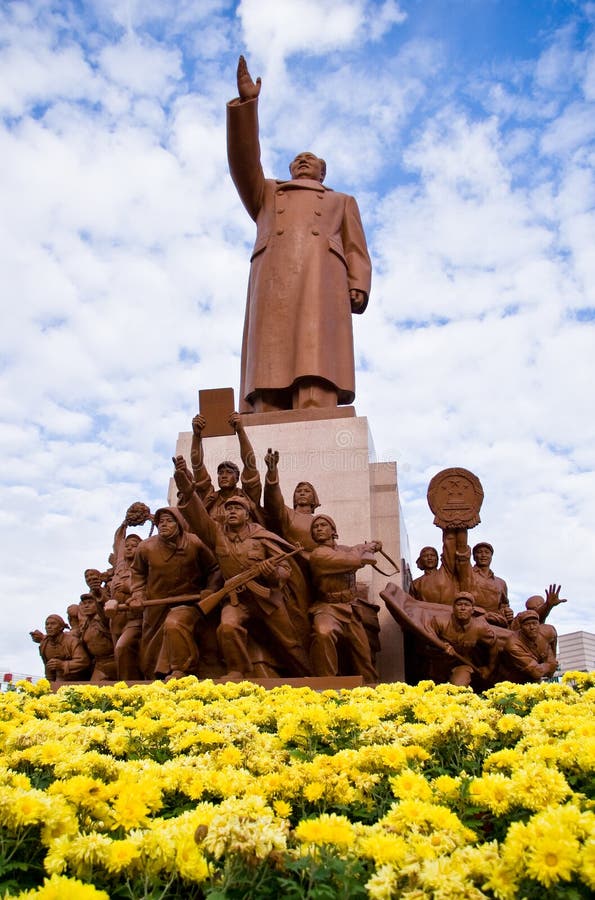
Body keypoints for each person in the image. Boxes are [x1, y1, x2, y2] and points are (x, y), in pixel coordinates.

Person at [227, 56, 372, 412]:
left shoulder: (341, 201)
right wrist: (247, 107)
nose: (303, 159)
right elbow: (244, 163)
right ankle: (268, 406)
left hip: (321, 278)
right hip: (274, 277)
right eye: (298, 158)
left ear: (322, 173)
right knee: (270, 353)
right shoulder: (267, 192)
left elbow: (356, 247)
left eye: (311, 159)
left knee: (315, 349)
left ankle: (314, 402)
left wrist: (358, 282)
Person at [173, 456, 311, 679]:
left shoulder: (261, 535)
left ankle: (308, 676)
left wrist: (273, 574)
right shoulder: (217, 534)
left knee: (290, 642)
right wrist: (184, 482)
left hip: (267, 599)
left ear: (247, 514)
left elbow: (284, 566)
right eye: (228, 509)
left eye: (237, 508)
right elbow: (197, 514)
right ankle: (236, 671)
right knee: (227, 626)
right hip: (237, 600)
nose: (232, 512)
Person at [130, 507, 222, 680]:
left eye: (169, 521)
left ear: (179, 523)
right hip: (155, 605)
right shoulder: (145, 547)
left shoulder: (194, 543)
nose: (163, 525)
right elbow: (137, 573)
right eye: (160, 522)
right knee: (149, 657)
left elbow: (214, 568)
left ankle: (180, 669)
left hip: (188, 602)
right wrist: (138, 595)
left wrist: (210, 589)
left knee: (174, 624)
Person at [307, 514, 380, 682]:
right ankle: (326, 685)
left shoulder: (343, 549)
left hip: (350, 607)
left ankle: (371, 688)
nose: (319, 529)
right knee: (324, 633)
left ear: (333, 530)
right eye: (315, 527)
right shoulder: (318, 555)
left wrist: (372, 545)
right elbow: (350, 560)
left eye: (323, 525)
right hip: (328, 608)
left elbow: (356, 549)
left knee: (363, 654)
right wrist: (364, 552)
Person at [190, 412, 263, 526]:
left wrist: (240, 431)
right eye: (220, 473)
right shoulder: (210, 498)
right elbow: (197, 465)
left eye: (229, 472)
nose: (223, 476)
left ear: (237, 478)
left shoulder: (247, 495)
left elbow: (250, 464)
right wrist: (196, 436)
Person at [426, 592, 498, 687]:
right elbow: (426, 643)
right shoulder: (439, 621)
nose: (462, 608)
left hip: (462, 664)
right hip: (438, 665)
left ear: (472, 610)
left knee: (458, 687)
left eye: (467, 605)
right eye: (459, 604)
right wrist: (441, 646)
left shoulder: (480, 627)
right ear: (453, 608)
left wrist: (489, 669)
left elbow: (494, 645)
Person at [263, 448, 320, 552]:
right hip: (291, 558)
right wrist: (272, 471)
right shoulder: (287, 514)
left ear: (314, 499)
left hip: (317, 559)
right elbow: (273, 498)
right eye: (298, 491)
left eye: (307, 491)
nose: (302, 493)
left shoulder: (320, 521)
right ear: (294, 498)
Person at [499, 609, 558, 683]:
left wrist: (551, 661)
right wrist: (550, 666)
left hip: (536, 670)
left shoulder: (548, 631)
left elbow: (552, 649)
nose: (532, 627)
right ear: (521, 627)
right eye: (527, 624)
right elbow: (536, 672)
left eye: (534, 623)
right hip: (513, 677)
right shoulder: (513, 644)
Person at [34, 614, 91, 682]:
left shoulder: (72, 641)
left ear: (61, 627)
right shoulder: (44, 644)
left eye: (53, 624)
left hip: (78, 680)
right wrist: (49, 683)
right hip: (58, 680)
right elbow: (48, 668)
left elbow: (84, 661)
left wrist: (62, 665)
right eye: (47, 624)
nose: (49, 626)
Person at [469, 542, 512, 627]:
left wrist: (507, 612)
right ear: (474, 557)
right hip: (472, 619)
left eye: (487, 552)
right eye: (479, 552)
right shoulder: (468, 575)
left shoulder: (501, 582)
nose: (483, 555)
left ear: (491, 557)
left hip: (494, 622)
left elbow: (504, 605)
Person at [78, 592, 117, 682]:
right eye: (84, 603)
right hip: (98, 664)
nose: (86, 606)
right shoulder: (86, 624)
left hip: (112, 661)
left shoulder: (103, 620)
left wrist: (97, 592)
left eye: (90, 602)